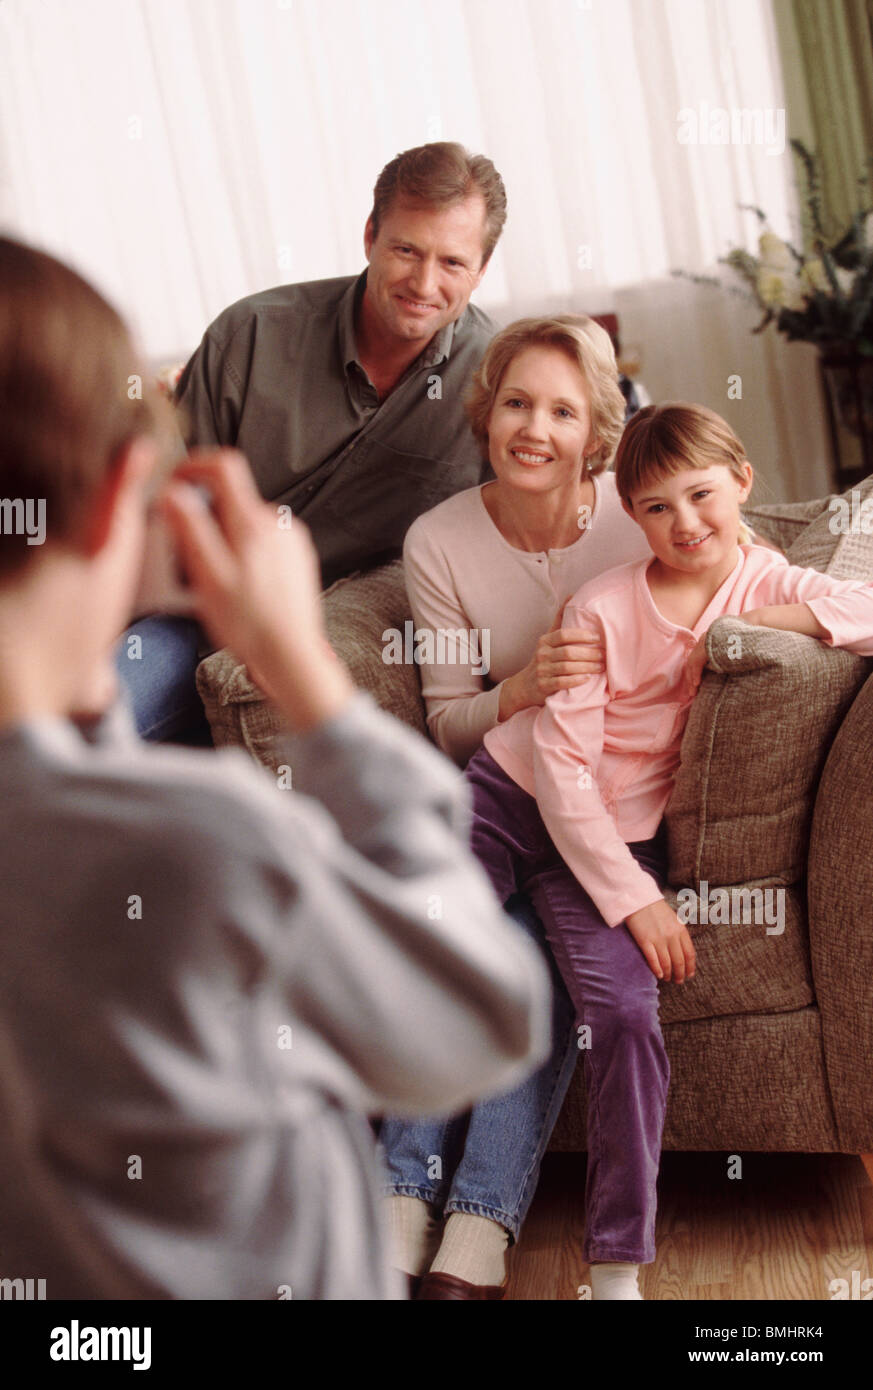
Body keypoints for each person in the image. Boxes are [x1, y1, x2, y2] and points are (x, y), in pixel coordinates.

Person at [0, 235, 552, 1300]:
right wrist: (308, 678)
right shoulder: (202, 842)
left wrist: (85, 701)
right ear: (127, 495)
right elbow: (487, 1015)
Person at [466, 400, 873, 1300]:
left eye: (701, 496)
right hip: (509, 798)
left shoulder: (770, 584)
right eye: (656, 508)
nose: (684, 524)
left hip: (623, 834)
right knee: (409, 956)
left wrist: (777, 625)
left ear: (742, 484)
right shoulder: (602, 605)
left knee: (622, 1014)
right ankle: (397, 1216)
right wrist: (636, 901)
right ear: (631, 515)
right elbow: (562, 772)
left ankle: (616, 1263)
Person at [380, 316, 655, 1299]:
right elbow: (450, 719)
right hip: (500, 783)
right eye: (516, 403)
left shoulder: (639, 513)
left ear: (597, 433)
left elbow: (730, 573)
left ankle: (480, 1223)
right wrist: (528, 681)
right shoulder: (438, 540)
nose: (535, 428)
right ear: (484, 412)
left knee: (540, 957)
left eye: (563, 410)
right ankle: (400, 1194)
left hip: (605, 812)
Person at [118, 141, 506, 742]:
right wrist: (252, 627)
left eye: (453, 263)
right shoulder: (249, 334)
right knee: (75, 730)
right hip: (195, 611)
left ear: (481, 269)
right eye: (406, 249)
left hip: (350, 622)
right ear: (371, 235)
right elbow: (166, 514)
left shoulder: (499, 378)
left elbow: (513, 534)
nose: (424, 283)